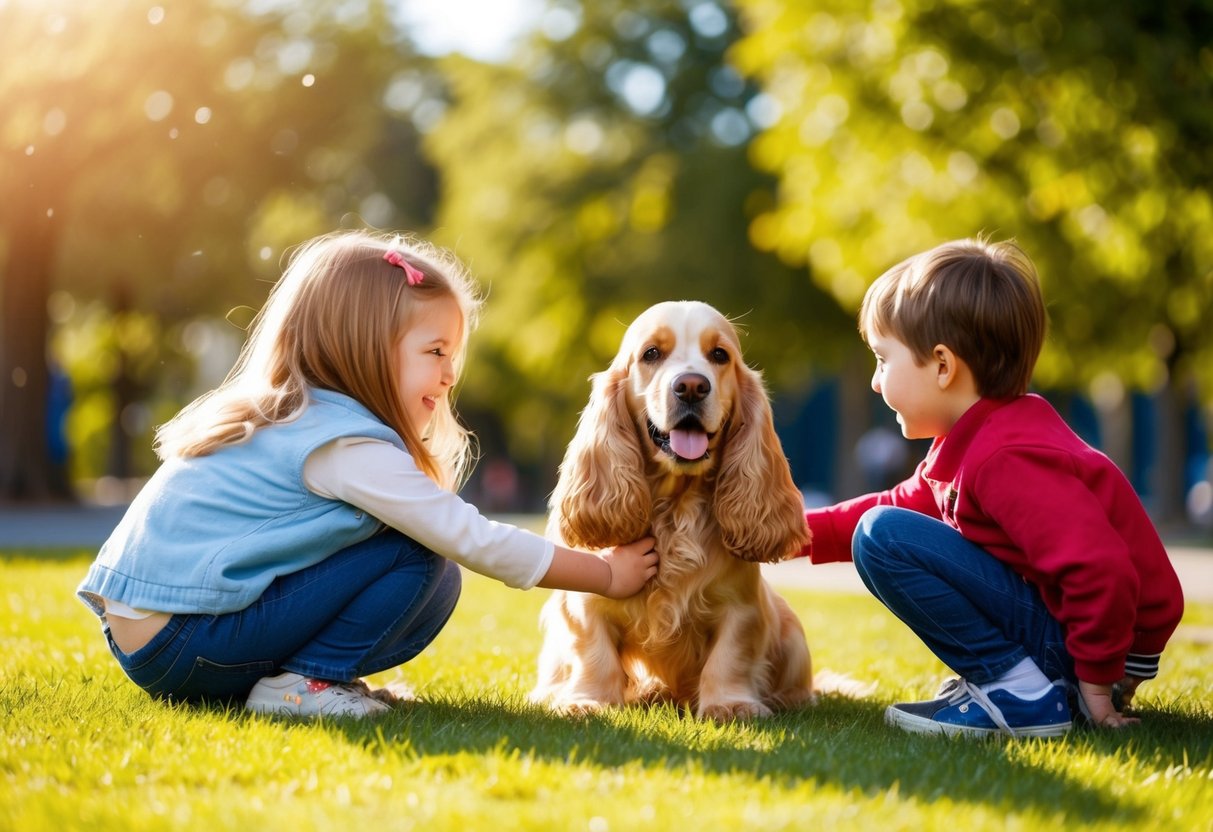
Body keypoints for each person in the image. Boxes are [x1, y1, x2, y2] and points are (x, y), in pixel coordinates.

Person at [77, 230, 658, 719]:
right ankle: (303, 685)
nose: (450, 374)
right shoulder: (343, 442)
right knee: (422, 552)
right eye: (435, 351)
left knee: (425, 565)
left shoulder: (292, 418)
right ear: (367, 346)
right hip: (186, 643)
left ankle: (306, 678)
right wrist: (605, 574)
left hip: (151, 639)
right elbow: (469, 536)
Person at [797, 238, 1184, 738]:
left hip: (1079, 642)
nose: (875, 382)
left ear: (942, 366)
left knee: (880, 536)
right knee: (881, 527)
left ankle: (1020, 691)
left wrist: (1095, 684)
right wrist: (782, 532)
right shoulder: (977, 439)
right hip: (1079, 633)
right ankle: (1026, 681)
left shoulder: (1007, 456)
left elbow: (1100, 571)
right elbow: (900, 503)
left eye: (882, 360)